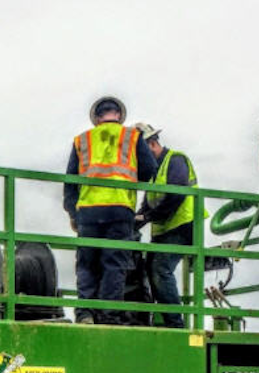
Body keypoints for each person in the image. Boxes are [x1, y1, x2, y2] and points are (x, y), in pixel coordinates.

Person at [64, 97, 158, 325]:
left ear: (97, 118)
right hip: (119, 209)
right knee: (114, 264)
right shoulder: (132, 137)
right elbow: (149, 170)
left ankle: (85, 314)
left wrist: (73, 214)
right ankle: (108, 315)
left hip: (88, 210)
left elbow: (70, 182)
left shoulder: (82, 140)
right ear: (119, 115)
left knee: (87, 264)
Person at [134, 123, 204, 329]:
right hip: (166, 229)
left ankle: (175, 324)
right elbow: (147, 204)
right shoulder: (155, 172)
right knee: (150, 267)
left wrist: (149, 215)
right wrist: (134, 220)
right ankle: (167, 319)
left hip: (183, 226)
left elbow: (176, 193)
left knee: (160, 269)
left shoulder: (175, 159)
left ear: (152, 144)